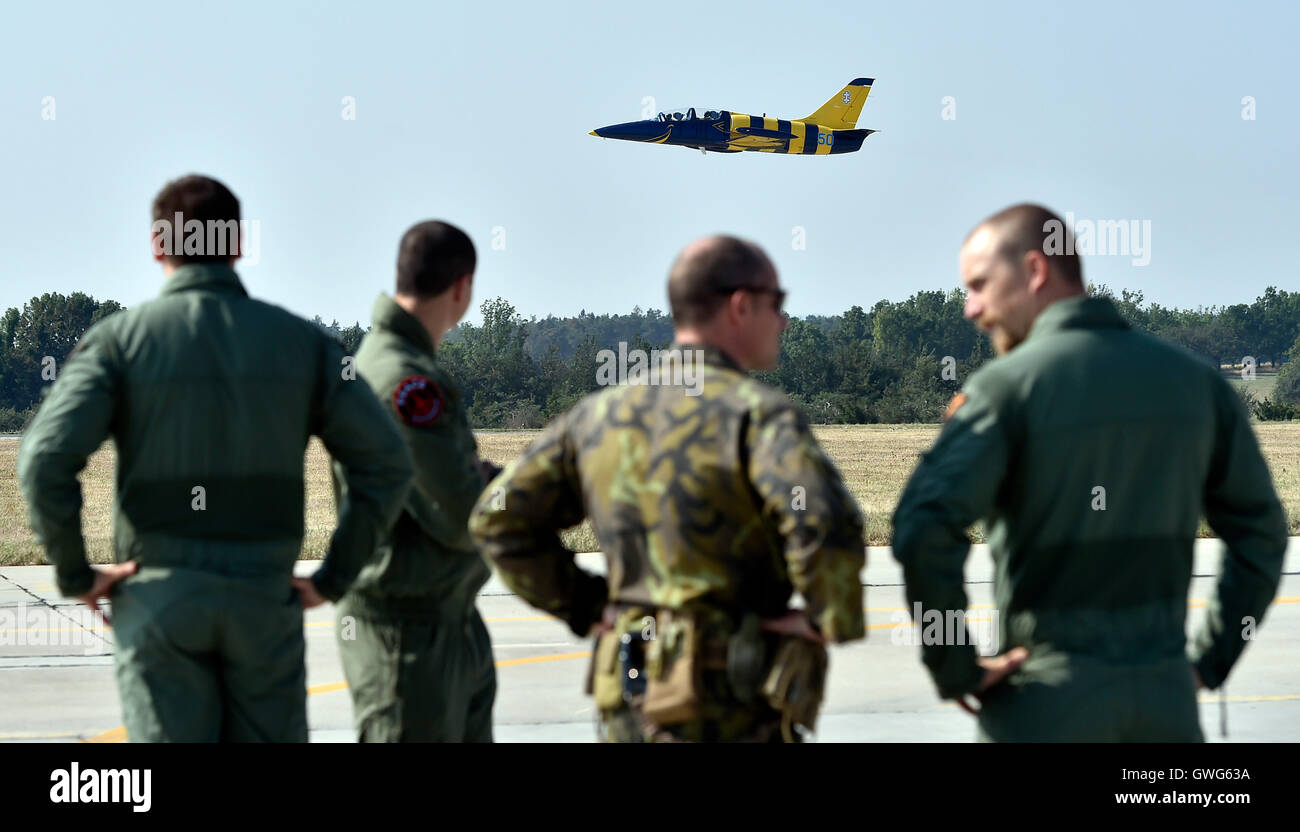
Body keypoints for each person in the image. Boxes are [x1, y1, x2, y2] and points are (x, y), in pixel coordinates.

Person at [17, 174, 414, 742]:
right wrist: (334, 576)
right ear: (239, 242)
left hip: (158, 602)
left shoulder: (119, 343)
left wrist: (78, 573)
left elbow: (43, 459)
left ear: (158, 244)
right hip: (264, 602)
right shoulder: (303, 344)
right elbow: (386, 463)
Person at [891, 203, 1288, 741]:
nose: (971, 309)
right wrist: (1205, 662)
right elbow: (1261, 533)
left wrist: (956, 667)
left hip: (1042, 706)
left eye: (980, 285)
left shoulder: (1004, 390)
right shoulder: (1199, 385)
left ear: (1035, 271)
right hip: (1166, 708)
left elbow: (922, 526)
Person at [469, 235, 866, 742]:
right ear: (740, 306)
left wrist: (589, 607)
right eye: (777, 303)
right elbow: (825, 522)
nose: (784, 321)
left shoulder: (597, 417)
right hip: (731, 705)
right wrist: (823, 618)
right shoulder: (757, 415)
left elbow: (498, 519)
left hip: (629, 703)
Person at [333, 220, 499, 742]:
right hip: (409, 640)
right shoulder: (405, 382)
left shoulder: (398, 365)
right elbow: (461, 515)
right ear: (462, 287)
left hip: (440, 622)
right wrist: (531, 481)